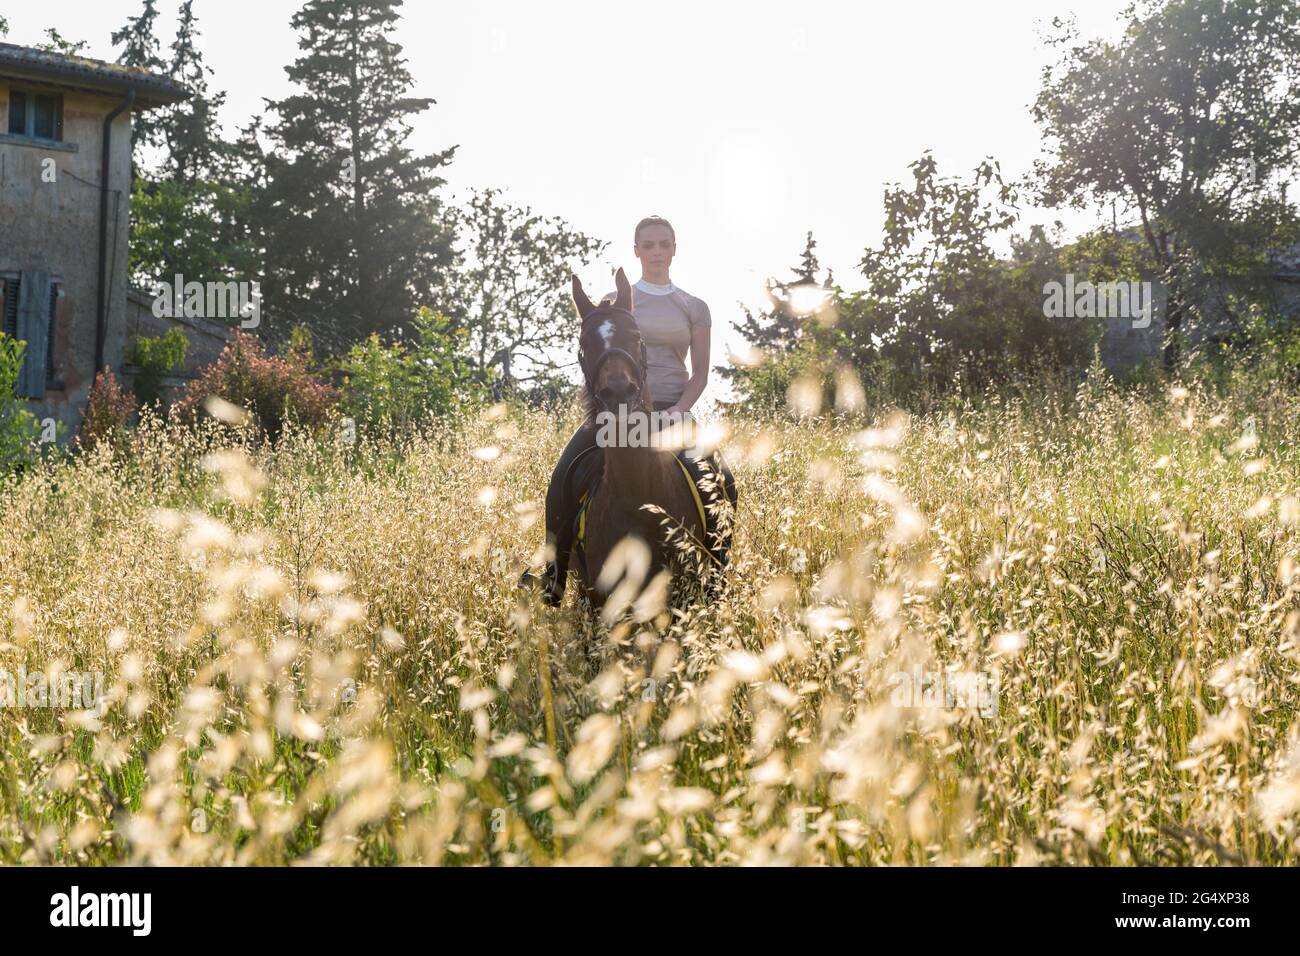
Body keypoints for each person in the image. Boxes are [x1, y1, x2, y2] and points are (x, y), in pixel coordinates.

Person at [521, 215, 736, 605]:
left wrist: (680, 409)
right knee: (563, 475)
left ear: (674, 249)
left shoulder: (693, 307)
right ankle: (555, 576)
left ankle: (717, 576)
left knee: (723, 479)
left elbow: (700, 374)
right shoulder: (617, 301)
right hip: (618, 414)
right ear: (637, 251)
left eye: (664, 244)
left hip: (672, 413)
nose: (657, 252)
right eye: (648, 245)